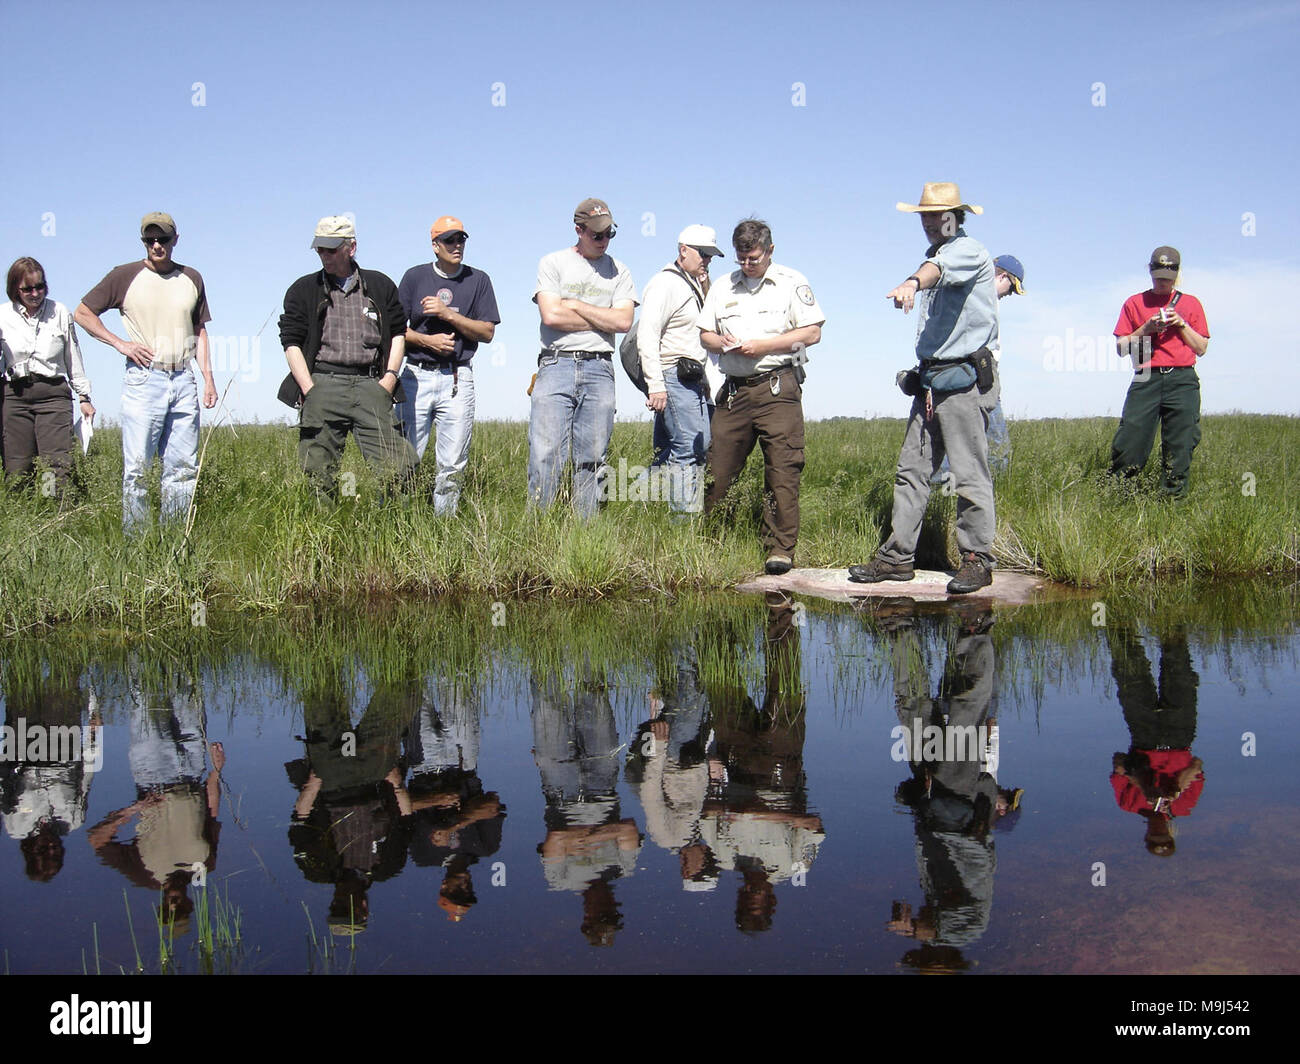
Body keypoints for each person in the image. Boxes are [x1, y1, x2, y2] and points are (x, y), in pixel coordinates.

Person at [849, 183, 1000, 595]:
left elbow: (934, 274)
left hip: (963, 381)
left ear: (956, 217)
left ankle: (976, 559)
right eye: (925, 216)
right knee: (911, 471)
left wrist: (912, 283)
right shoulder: (935, 257)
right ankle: (898, 557)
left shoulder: (966, 252)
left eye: (939, 215)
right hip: (932, 381)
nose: (931, 222)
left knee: (969, 474)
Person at [74, 212, 218, 532]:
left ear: (175, 240)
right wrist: (120, 343)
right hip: (144, 379)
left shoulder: (191, 277)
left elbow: (200, 331)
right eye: (149, 240)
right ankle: (138, 548)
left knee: (182, 469)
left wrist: (208, 378)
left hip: (183, 378)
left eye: (163, 239)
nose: (156, 245)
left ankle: (173, 543)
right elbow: (83, 313)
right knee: (137, 470)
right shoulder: (124, 276)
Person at [699, 219, 824, 574]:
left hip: (777, 387)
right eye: (741, 258)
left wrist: (763, 346)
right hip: (735, 391)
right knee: (718, 471)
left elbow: (812, 332)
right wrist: (719, 342)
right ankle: (714, 543)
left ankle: (780, 550)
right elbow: (705, 334)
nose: (747, 264)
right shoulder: (723, 286)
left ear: (769, 251)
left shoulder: (792, 282)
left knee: (782, 471)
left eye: (753, 257)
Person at [277, 216, 417, 500]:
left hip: (371, 385)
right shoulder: (303, 290)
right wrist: (309, 389)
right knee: (319, 473)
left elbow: (398, 334)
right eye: (320, 250)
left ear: (351, 248)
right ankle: (326, 535)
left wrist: (389, 379)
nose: (324, 256)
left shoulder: (379, 285)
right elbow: (290, 341)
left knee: (402, 468)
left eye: (331, 249)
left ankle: (394, 530)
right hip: (323, 383)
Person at [528, 197, 636, 518]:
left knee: (592, 456)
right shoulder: (553, 263)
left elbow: (623, 322)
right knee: (546, 453)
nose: (604, 241)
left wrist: (574, 305)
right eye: (597, 235)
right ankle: (539, 529)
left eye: (609, 234)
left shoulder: (619, 270)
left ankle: (585, 533)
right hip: (555, 363)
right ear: (579, 230)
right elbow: (551, 316)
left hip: (600, 366)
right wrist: (603, 317)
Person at [397, 215, 500, 515]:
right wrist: (427, 341)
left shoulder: (478, 280)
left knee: (452, 463)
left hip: (457, 377)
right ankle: (397, 521)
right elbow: (394, 330)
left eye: (461, 239)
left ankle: (444, 526)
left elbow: (487, 332)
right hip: (414, 375)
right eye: (449, 240)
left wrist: (448, 314)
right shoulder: (414, 277)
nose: (457, 245)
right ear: (435, 245)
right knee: (404, 457)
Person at [1109, 246, 1210, 497]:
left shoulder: (1191, 303)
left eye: (1168, 277)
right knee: (1131, 441)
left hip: (1183, 378)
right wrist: (1147, 327)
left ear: (1177, 274)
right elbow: (1121, 348)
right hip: (1147, 376)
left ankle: (1172, 502)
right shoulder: (1134, 303)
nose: (1163, 282)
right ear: (1150, 271)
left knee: (1181, 443)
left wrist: (1181, 324)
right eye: (1158, 277)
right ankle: (1121, 496)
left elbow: (1202, 347)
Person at [637, 224, 722, 515]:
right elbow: (647, 335)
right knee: (688, 448)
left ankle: (636, 504)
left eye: (711, 256)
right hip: (673, 374)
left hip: (692, 378)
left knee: (676, 450)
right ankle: (682, 525)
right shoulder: (665, 283)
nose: (707, 261)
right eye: (703, 254)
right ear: (683, 250)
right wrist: (656, 384)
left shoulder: (694, 283)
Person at [0, 257, 94, 494]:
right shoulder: (3, 316)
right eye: (27, 289)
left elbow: (73, 355)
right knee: (17, 466)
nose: (35, 293)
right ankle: (24, 516)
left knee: (55, 465)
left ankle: (54, 511)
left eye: (39, 286)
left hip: (53, 396)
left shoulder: (59, 312)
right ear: (15, 289)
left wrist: (84, 397)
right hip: (14, 395)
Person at [932, 253, 1022, 483]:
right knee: (992, 446)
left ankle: (963, 494)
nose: (1009, 295)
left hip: (975, 376)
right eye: (1011, 289)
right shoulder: (976, 298)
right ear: (1003, 277)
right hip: (975, 377)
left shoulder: (983, 299)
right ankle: (980, 495)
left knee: (959, 441)